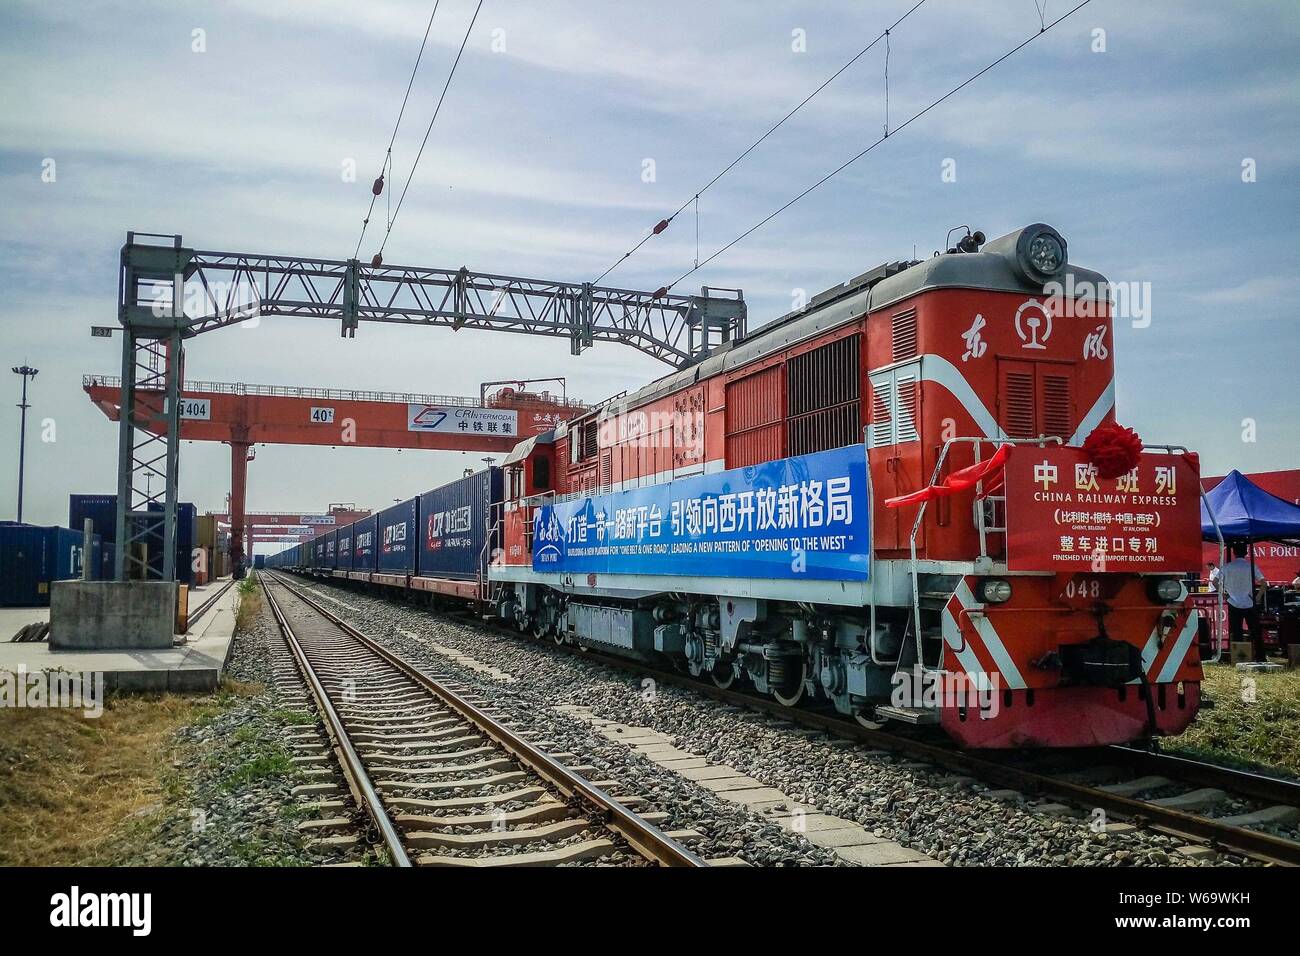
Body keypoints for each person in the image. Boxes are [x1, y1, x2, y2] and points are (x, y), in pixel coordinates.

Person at [1221, 544, 1266, 661]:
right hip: (1249, 602)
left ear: (1234, 553)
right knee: (1255, 631)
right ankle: (1261, 656)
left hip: (1233, 602)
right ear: (1246, 552)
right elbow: (1264, 583)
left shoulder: (1227, 567)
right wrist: (1258, 596)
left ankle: (1239, 657)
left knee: (1236, 631)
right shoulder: (1251, 566)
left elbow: (1216, 582)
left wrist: (1224, 594)